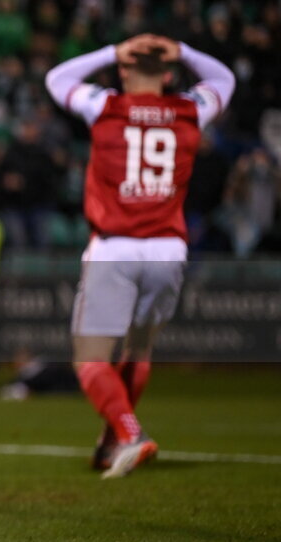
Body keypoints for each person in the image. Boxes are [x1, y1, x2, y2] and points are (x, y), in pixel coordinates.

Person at [45, 34, 234, 478]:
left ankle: (130, 433)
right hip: (169, 249)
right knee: (139, 347)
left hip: (116, 245)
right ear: (168, 74)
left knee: (90, 358)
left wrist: (112, 51)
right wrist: (184, 51)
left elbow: (57, 78)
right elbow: (224, 78)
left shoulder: (105, 104)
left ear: (126, 71)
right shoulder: (191, 109)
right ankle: (113, 439)